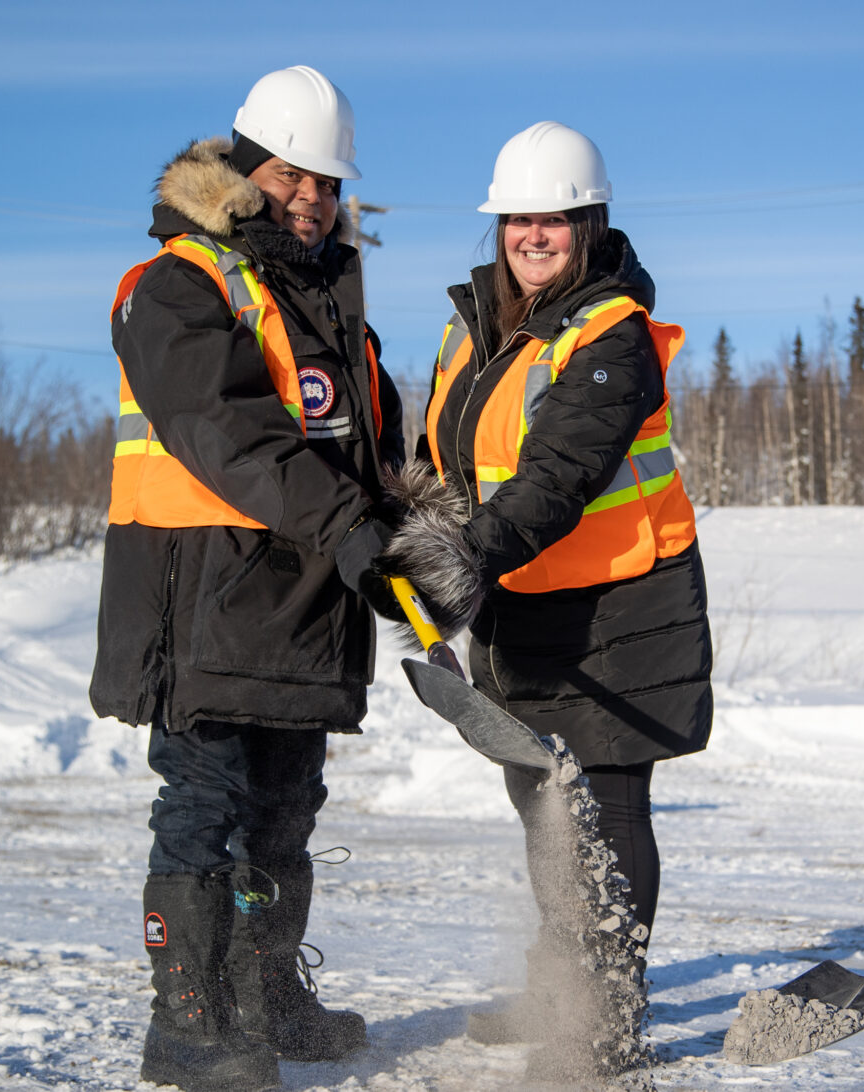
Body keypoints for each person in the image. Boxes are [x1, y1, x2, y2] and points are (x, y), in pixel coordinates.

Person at [90, 66, 411, 1092]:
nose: (310, 196)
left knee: (286, 811)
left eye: (325, 180)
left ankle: (268, 996)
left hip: (305, 609)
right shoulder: (179, 285)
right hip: (205, 600)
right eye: (289, 174)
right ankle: (187, 1020)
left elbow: (371, 460)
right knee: (206, 808)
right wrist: (346, 521)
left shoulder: (331, 314)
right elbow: (223, 429)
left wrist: (413, 553)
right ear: (240, 169)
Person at [408, 120, 713, 1071]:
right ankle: (560, 987)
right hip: (524, 601)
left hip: (624, 606)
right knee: (542, 801)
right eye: (517, 221)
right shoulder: (478, 332)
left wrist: (466, 559)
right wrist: (411, 549)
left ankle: (605, 1018)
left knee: (608, 808)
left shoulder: (610, 334)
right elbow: (441, 463)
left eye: (555, 220)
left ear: (589, 225)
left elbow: (559, 473)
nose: (534, 237)